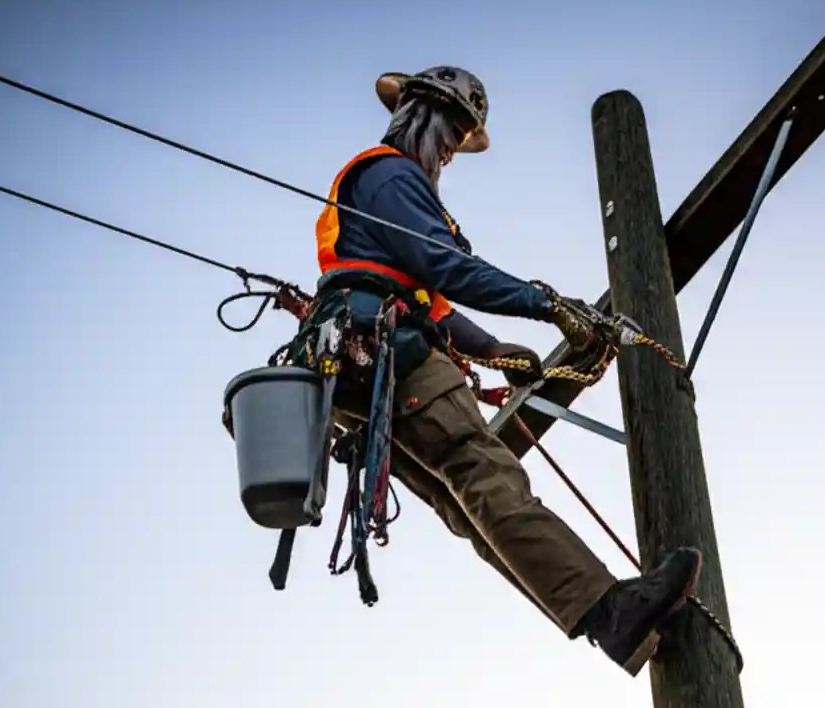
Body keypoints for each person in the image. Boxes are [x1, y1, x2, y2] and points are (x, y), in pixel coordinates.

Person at [299, 65, 702, 676]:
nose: (452, 152)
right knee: (484, 473)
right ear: (423, 117)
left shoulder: (382, 196)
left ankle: (603, 619)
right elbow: (449, 268)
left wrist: (499, 353)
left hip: (365, 369)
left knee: (467, 503)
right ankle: (611, 612)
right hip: (390, 354)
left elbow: (435, 303)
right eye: (453, 133)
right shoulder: (392, 175)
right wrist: (547, 304)